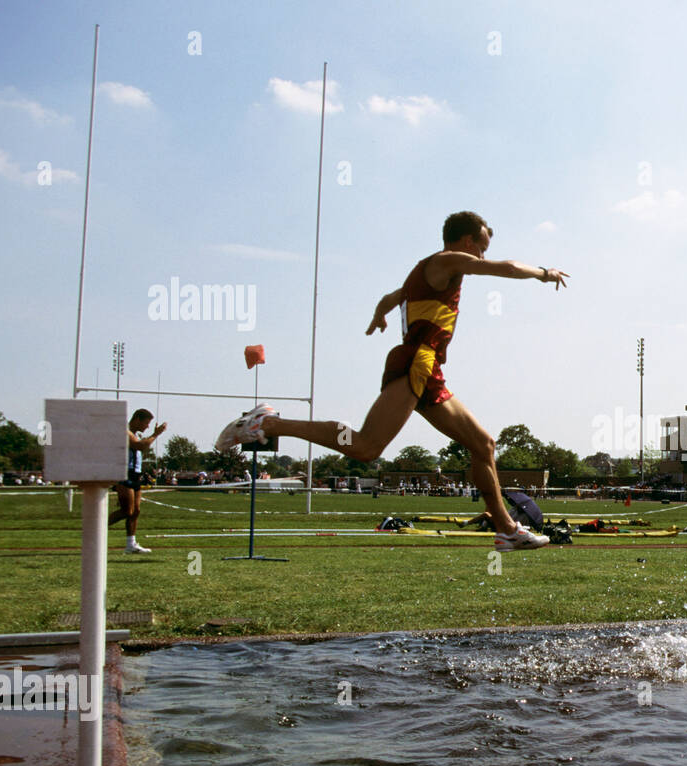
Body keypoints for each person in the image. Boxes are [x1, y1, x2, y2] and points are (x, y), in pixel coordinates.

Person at [215, 211, 567, 551]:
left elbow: (389, 298)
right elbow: (504, 267)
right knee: (365, 447)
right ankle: (269, 423)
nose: (482, 255)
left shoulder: (429, 273)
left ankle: (506, 529)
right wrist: (543, 272)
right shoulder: (446, 261)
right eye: (481, 246)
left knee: (483, 445)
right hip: (416, 362)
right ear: (465, 240)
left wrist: (379, 315)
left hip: (427, 367)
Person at [108, 408, 167, 554]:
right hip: (125, 474)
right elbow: (140, 445)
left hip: (135, 475)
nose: (147, 427)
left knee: (135, 511)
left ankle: (131, 544)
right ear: (137, 420)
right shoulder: (125, 432)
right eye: (146, 423)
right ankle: (95, 528)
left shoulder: (135, 435)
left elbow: (141, 445)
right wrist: (156, 434)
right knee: (126, 511)